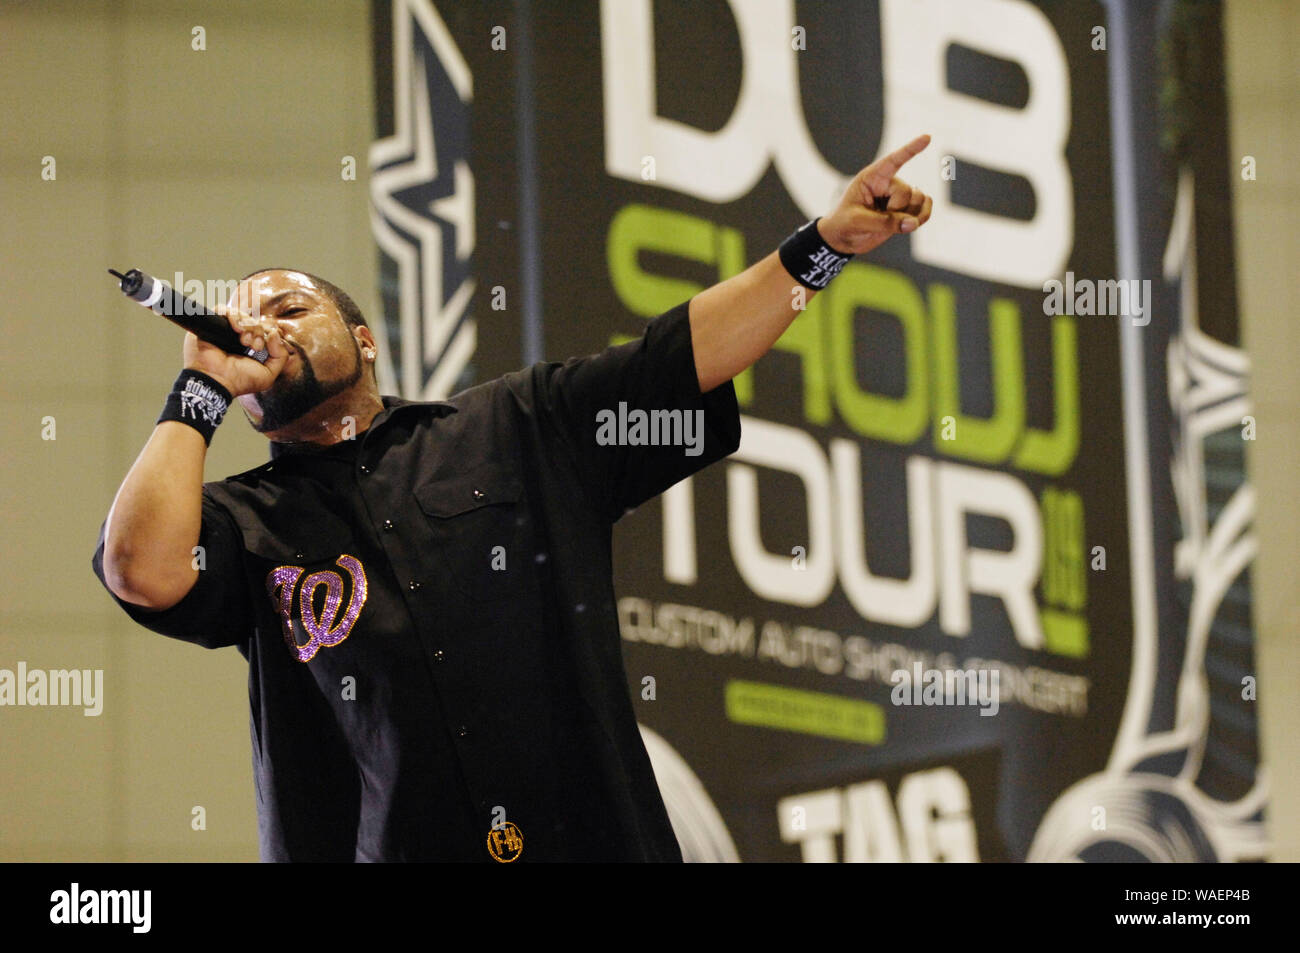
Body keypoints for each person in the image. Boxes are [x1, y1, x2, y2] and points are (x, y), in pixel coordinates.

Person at [91, 136, 934, 862]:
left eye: (289, 306)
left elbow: (680, 357)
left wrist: (826, 245)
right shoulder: (245, 521)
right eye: (242, 320)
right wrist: (200, 384)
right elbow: (141, 568)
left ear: (363, 339)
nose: (262, 327)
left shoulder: (514, 423)